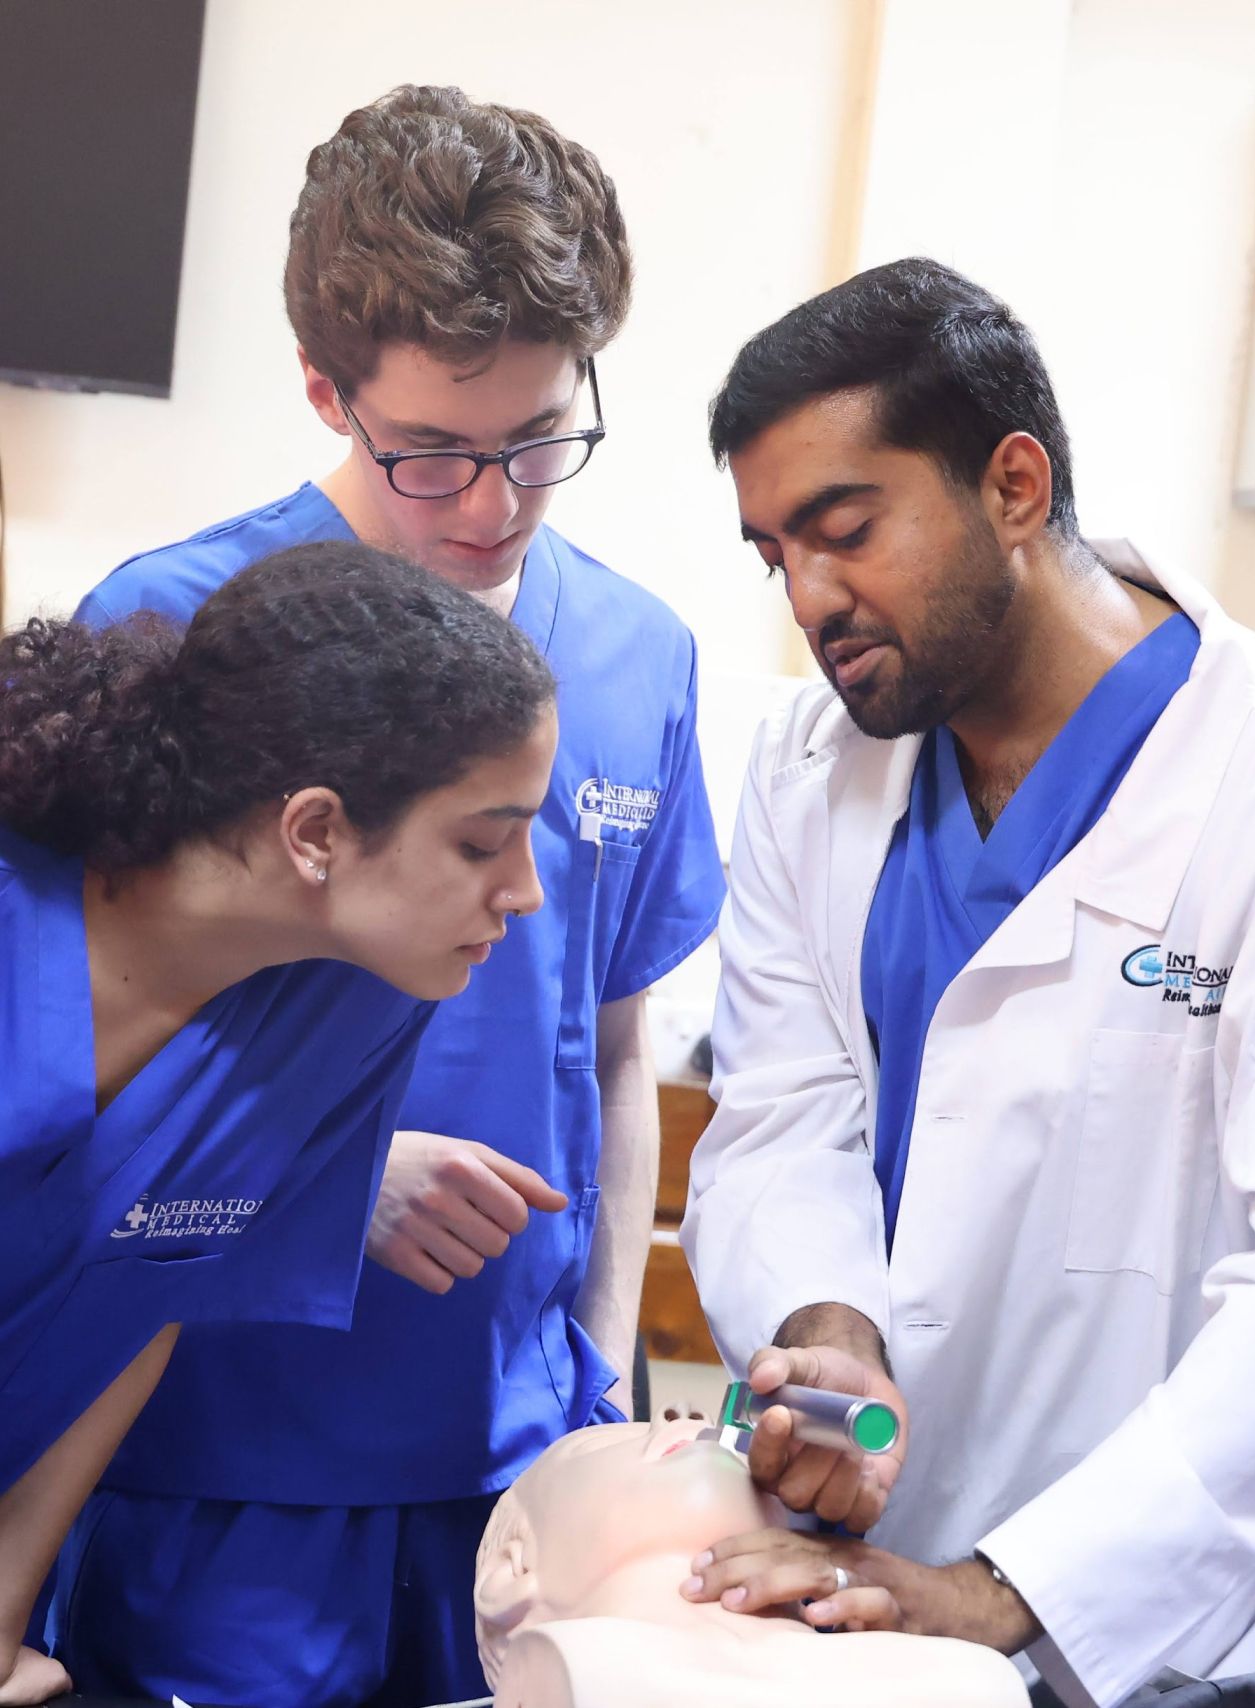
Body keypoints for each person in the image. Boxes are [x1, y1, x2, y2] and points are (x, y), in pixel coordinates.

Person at [51, 84, 725, 1708]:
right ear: (324, 391)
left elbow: (614, 1050)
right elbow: (59, 1076)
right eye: (432, 455)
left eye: (540, 441)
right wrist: (327, 1184)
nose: (494, 507)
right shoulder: (174, 629)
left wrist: (592, 1384)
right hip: (216, 1465)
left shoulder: (636, 656)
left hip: (517, 1469)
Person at [679, 257, 1255, 1707]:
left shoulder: (1234, 782)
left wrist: (1003, 1594)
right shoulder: (810, 770)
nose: (810, 600)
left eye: (844, 531)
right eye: (773, 557)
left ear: (1012, 485)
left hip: (1171, 1640)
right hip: (866, 1596)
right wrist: (828, 1338)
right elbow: (783, 1117)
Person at [0, 539, 556, 1706]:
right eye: (479, 841)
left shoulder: (352, 1001)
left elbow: (139, 1300)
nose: (525, 891)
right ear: (314, 832)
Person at [474, 1414, 1028, 1708]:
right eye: (599, 1443)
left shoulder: (961, 1674)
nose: (678, 1418)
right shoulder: (566, 1670)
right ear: (509, 1575)